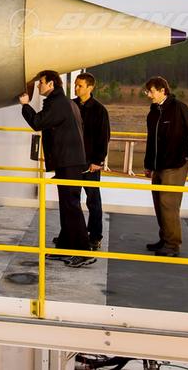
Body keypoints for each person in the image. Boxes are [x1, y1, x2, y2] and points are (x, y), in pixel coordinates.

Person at [20, 70, 96, 268]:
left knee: (71, 205)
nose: (38, 86)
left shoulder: (59, 103)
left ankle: (83, 251)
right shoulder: (63, 102)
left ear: (51, 84)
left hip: (69, 162)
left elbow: (37, 122)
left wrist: (25, 105)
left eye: (41, 83)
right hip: (68, 162)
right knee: (66, 205)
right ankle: (65, 246)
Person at [143, 76, 188, 257]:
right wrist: (148, 165)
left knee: (168, 204)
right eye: (147, 92)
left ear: (163, 90)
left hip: (175, 165)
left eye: (151, 91)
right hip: (158, 166)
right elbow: (151, 141)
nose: (148, 95)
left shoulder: (179, 108)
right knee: (158, 203)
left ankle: (172, 245)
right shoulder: (153, 112)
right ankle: (164, 239)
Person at [73, 72, 110, 251]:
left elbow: (104, 137)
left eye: (80, 85)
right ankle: (72, 234)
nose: (76, 88)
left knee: (93, 201)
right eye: (75, 85)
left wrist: (97, 161)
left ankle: (95, 236)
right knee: (71, 201)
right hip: (72, 162)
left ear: (90, 87)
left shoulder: (99, 110)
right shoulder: (71, 105)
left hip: (90, 164)